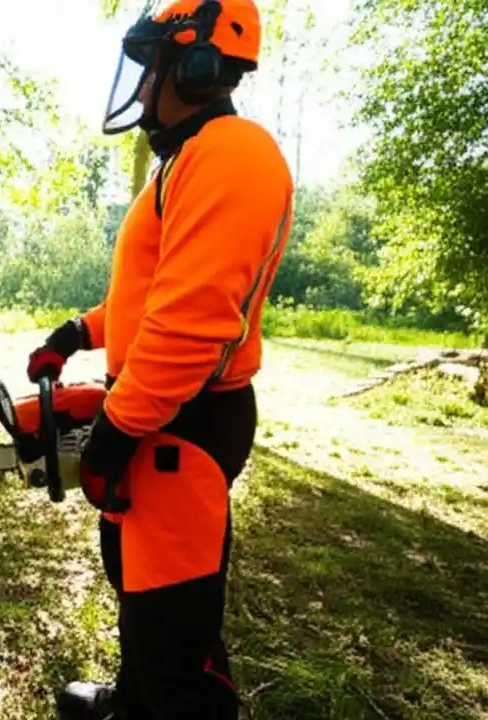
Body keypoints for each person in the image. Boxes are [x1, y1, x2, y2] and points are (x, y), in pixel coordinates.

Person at [26, 1, 294, 718]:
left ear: (200, 66)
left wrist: (115, 432)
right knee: (138, 578)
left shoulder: (233, 153)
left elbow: (191, 324)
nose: (143, 89)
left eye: (154, 71)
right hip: (163, 415)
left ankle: (169, 702)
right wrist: (77, 334)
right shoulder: (186, 163)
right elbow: (153, 298)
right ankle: (134, 699)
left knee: (175, 617)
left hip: (184, 421)